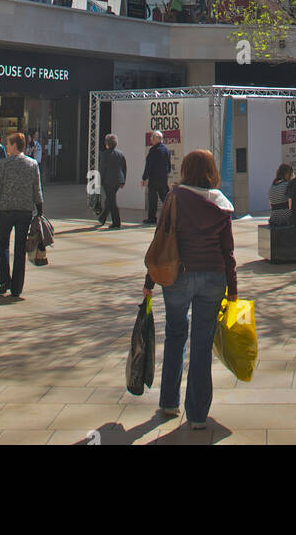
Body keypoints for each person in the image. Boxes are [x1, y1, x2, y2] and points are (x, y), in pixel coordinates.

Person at [143, 149, 237, 430]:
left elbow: (161, 237)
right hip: (213, 278)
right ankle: (197, 415)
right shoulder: (221, 204)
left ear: (185, 169)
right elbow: (227, 251)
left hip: (177, 276)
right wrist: (233, 288)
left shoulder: (175, 197)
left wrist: (149, 282)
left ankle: (169, 402)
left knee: (175, 335)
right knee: (202, 344)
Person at [0, 132, 44, 299]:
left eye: (9, 144)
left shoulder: (5, 164)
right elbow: (37, 188)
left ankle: (4, 280)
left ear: (14, 145)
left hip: (6, 210)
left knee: (2, 243)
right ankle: (17, 287)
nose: (7, 146)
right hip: (25, 211)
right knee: (20, 248)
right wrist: (40, 209)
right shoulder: (32, 164)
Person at [97, 133, 127, 229]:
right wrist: (123, 180)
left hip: (108, 180)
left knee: (112, 200)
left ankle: (116, 222)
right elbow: (124, 167)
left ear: (107, 144)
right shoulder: (120, 153)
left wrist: (100, 180)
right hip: (118, 180)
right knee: (110, 199)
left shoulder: (105, 154)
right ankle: (103, 217)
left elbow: (102, 168)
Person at [142, 131, 172, 224]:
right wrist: (167, 173)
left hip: (154, 178)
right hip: (163, 178)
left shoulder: (154, 150)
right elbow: (169, 164)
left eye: (152, 138)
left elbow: (149, 165)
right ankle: (172, 215)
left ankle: (152, 218)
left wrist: (144, 178)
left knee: (152, 199)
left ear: (155, 139)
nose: (151, 139)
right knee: (165, 198)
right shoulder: (166, 150)